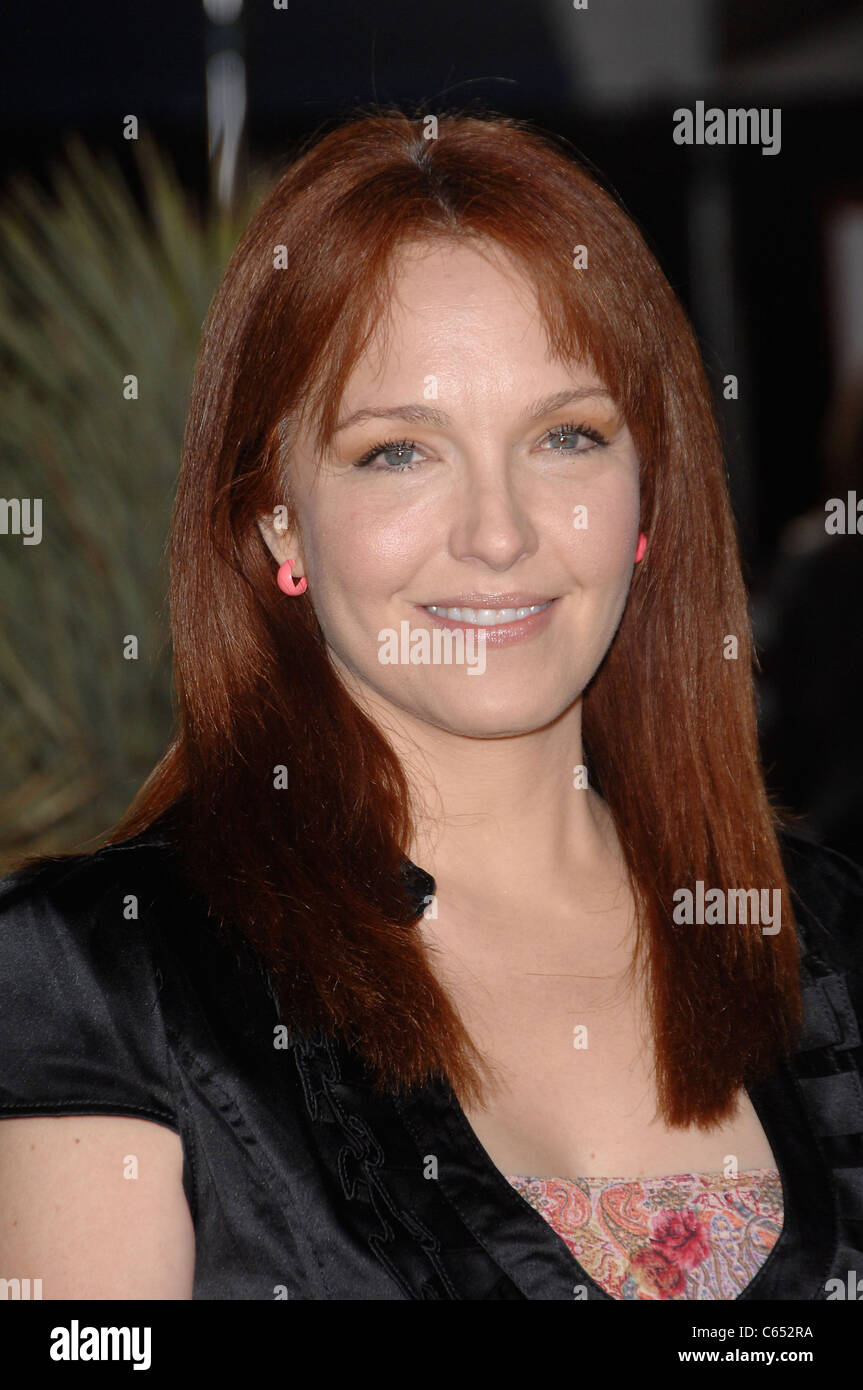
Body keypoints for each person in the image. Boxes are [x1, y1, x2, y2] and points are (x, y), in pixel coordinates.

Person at [1, 107, 862, 1302]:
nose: (498, 533)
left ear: (647, 495)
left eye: (565, 436)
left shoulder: (826, 939)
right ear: (277, 521)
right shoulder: (106, 978)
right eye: (398, 451)